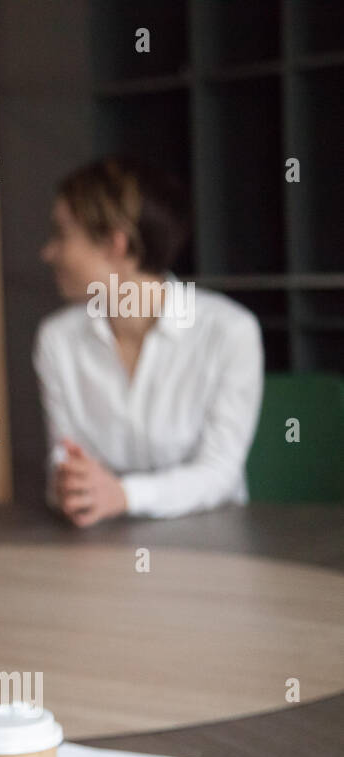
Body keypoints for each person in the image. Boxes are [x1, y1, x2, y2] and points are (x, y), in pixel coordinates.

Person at [33, 156, 264, 527]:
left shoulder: (229, 331)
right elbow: (64, 457)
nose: (49, 252)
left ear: (115, 245)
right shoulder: (57, 339)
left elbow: (219, 474)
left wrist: (124, 495)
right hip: (100, 544)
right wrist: (68, 483)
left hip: (213, 544)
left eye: (61, 234)